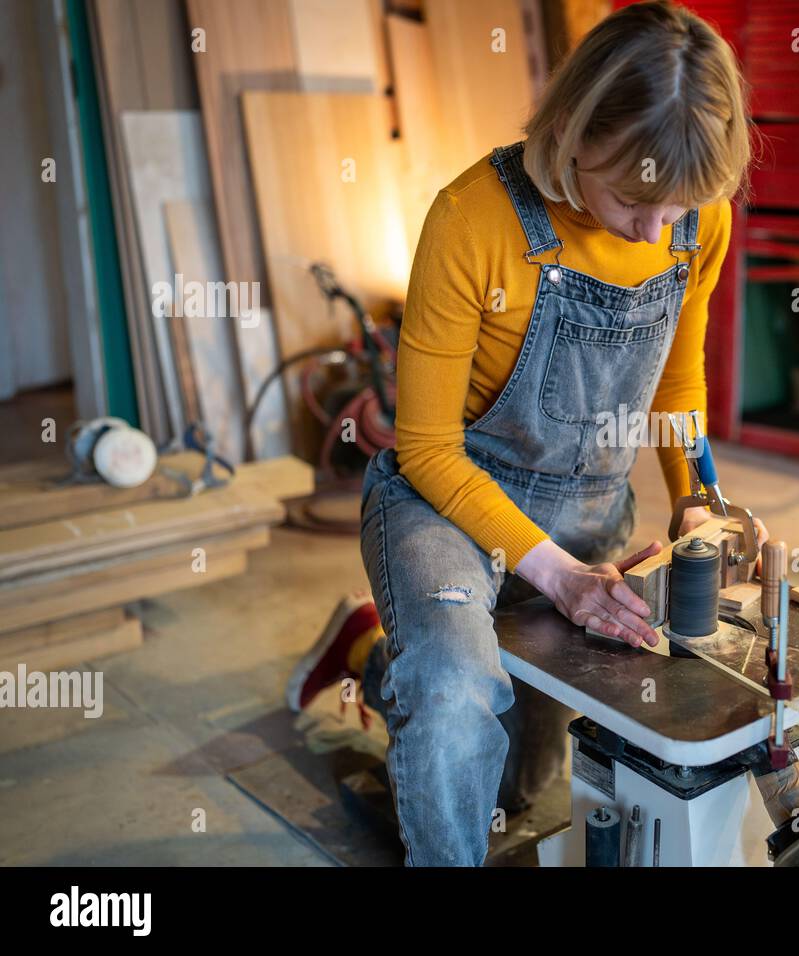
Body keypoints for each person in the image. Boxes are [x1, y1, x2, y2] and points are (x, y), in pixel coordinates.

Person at [286, 0, 759, 865]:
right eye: (632, 199)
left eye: (679, 209)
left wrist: (699, 501)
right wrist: (562, 581)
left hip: (588, 511)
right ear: (577, 131)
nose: (656, 232)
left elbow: (680, 384)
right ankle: (420, 657)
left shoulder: (694, 219)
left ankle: (371, 647)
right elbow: (424, 448)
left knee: (513, 788)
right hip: (442, 504)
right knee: (461, 701)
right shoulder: (472, 219)